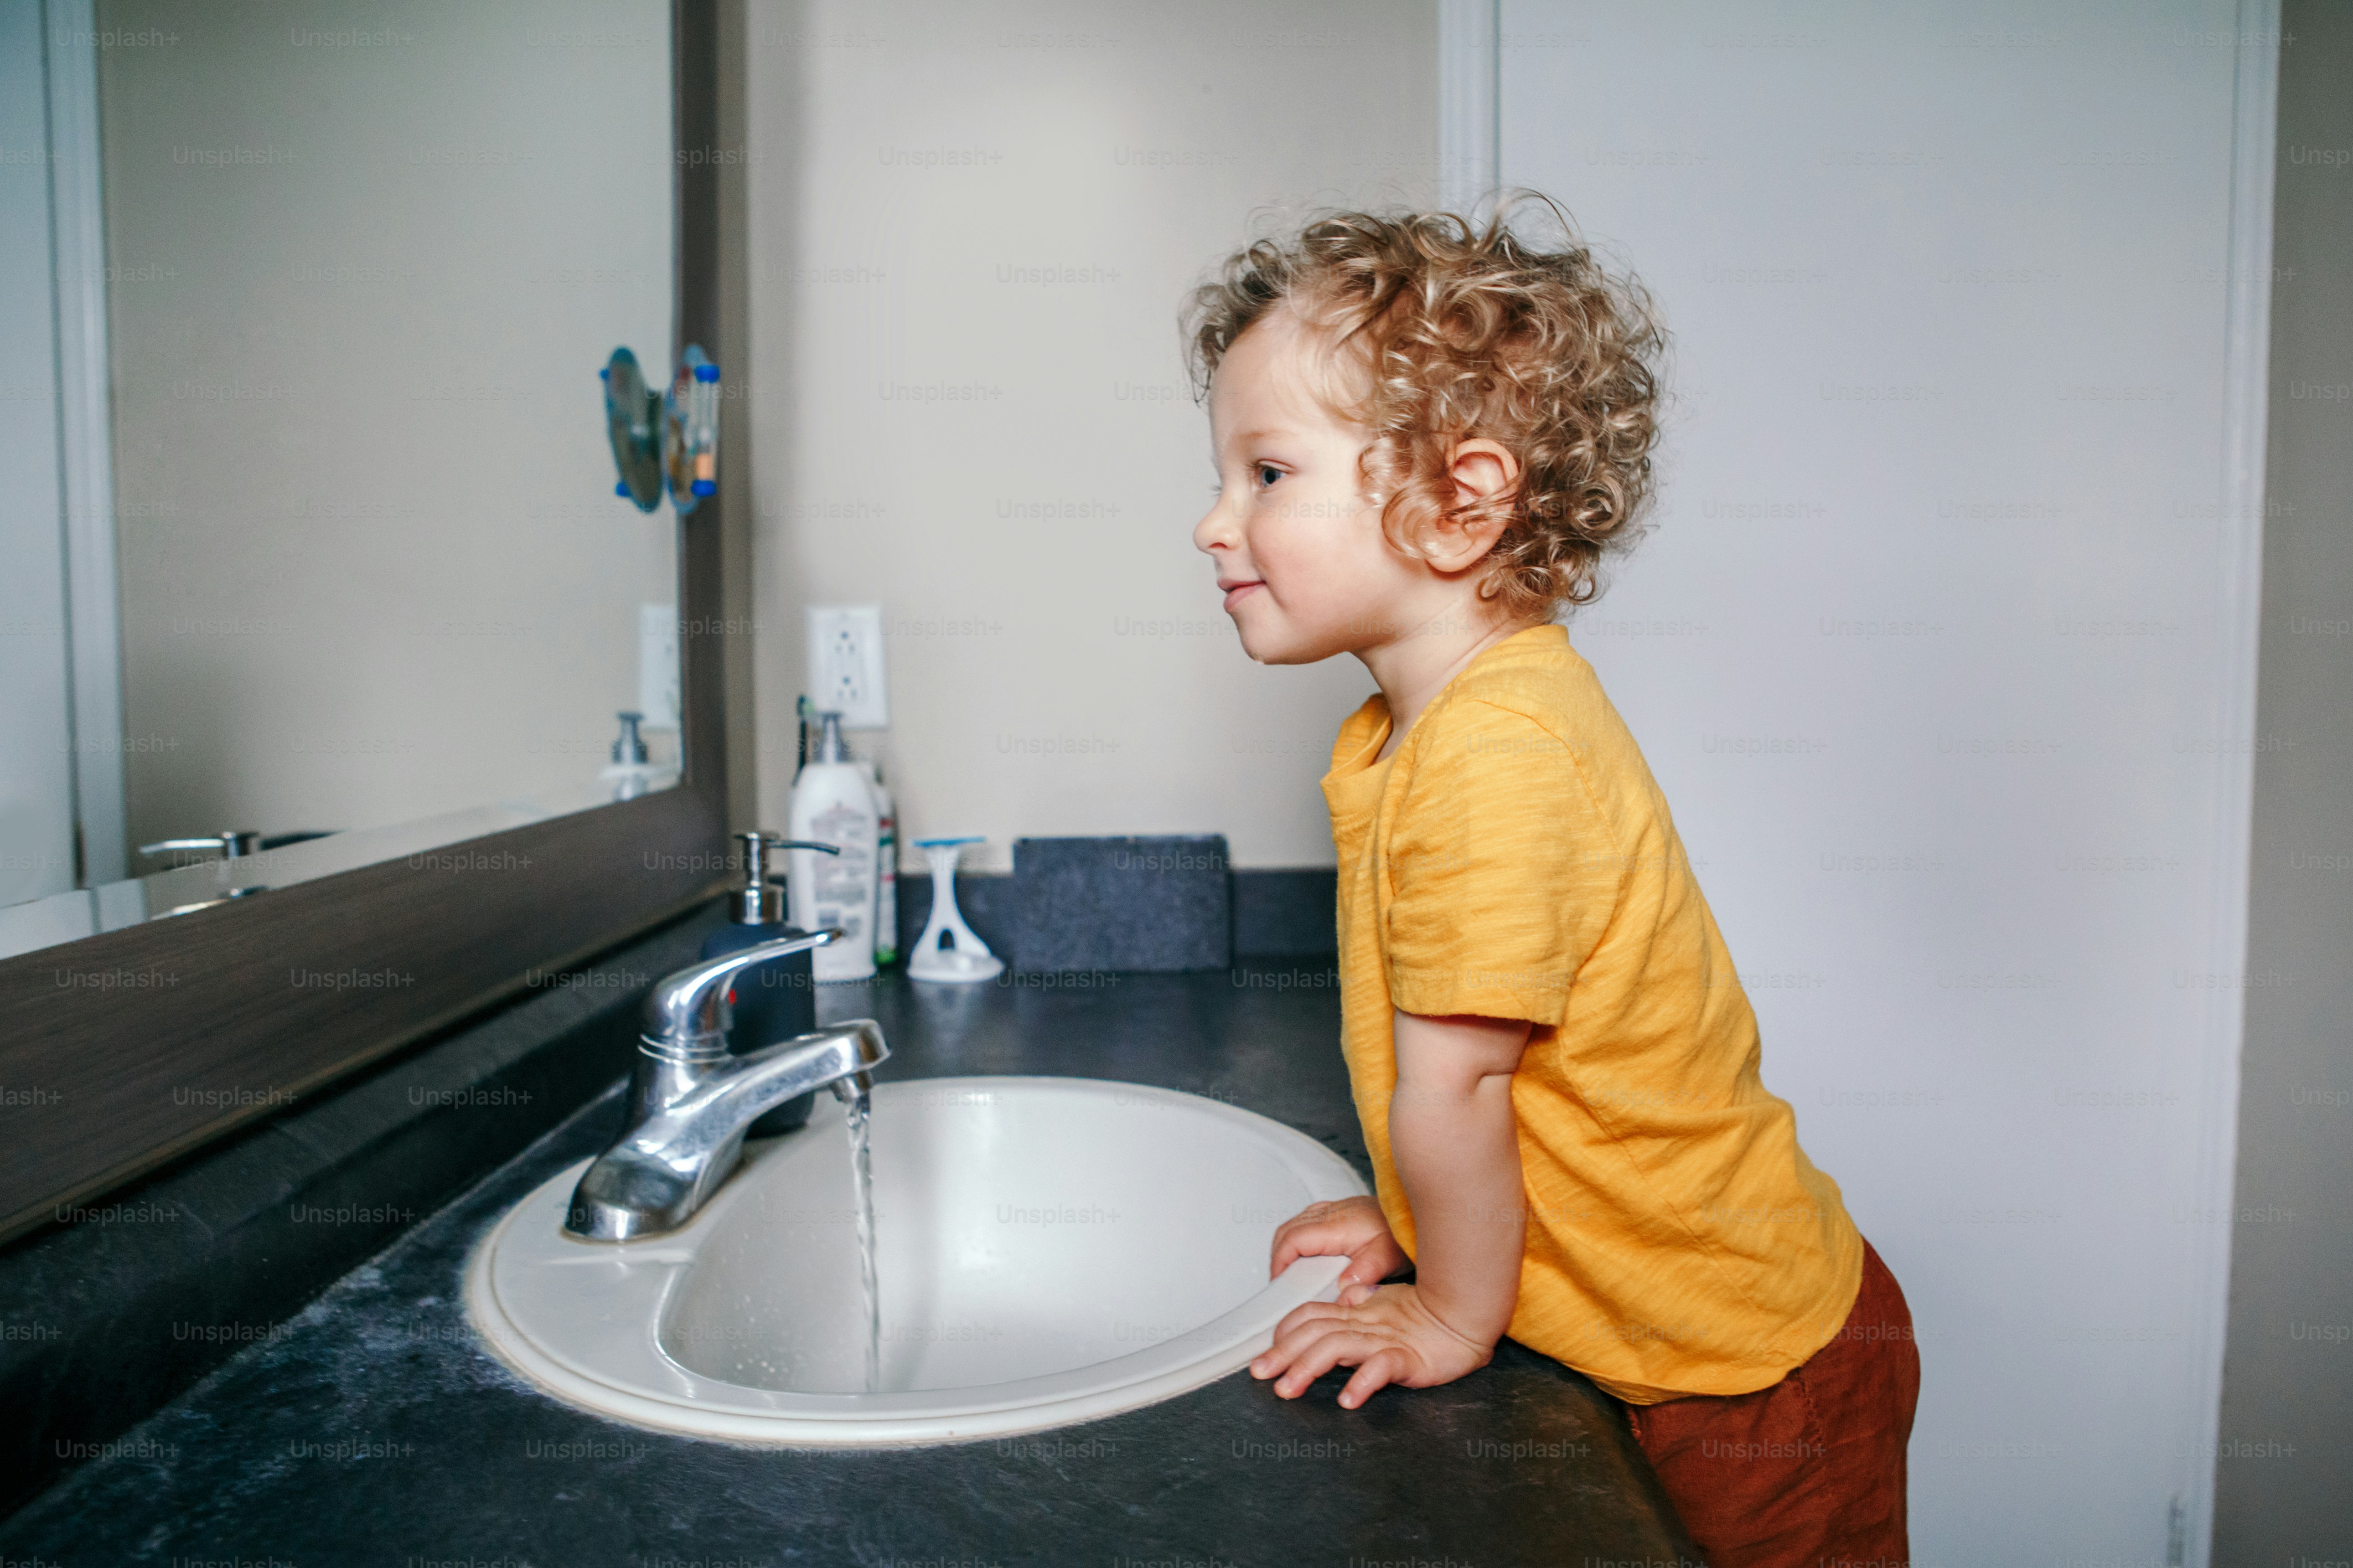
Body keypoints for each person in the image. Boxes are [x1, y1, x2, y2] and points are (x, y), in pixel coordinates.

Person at [1185, 201, 1919, 1568]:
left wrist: (1452, 1315)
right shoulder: (1428, 729)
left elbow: (1458, 1085)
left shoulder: (1494, 753)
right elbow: (1498, 1076)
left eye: (1267, 474)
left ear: (1460, 505)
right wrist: (1413, 1221)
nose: (1212, 522)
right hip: (1683, 1332)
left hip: (1749, 1369)